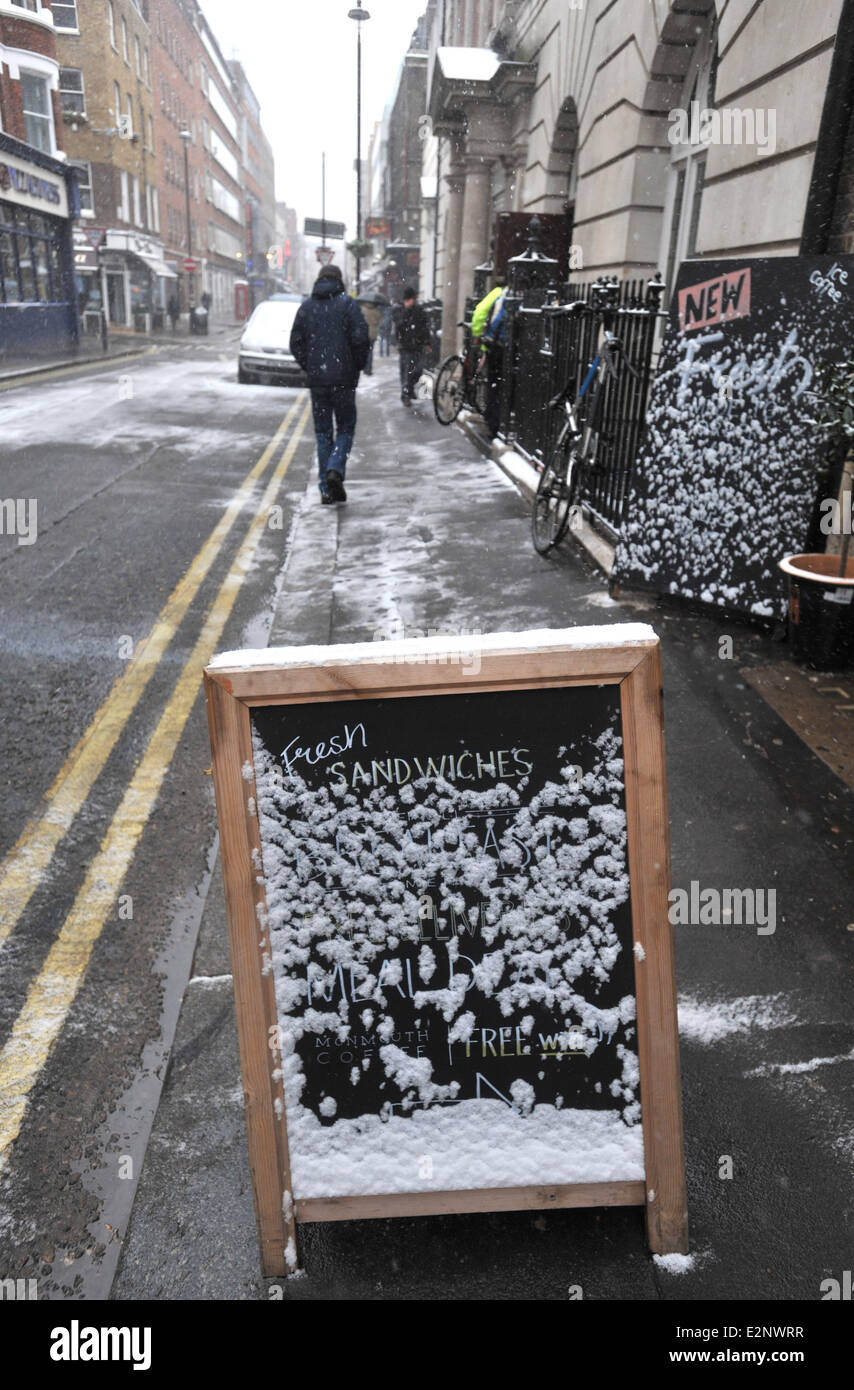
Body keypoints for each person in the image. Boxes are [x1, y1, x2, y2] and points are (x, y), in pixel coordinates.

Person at [289, 263, 370, 505]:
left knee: (323, 433)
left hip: (318, 382)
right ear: (339, 281)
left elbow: (296, 343)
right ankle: (335, 468)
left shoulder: (307, 307)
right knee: (345, 428)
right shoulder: (348, 305)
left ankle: (326, 488)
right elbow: (361, 338)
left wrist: (311, 366)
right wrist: (355, 366)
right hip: (344, 380)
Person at [472, 275, 508, 438]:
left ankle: (492, 420)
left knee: (494, 384)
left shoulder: (498, 294)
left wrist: (478, 335)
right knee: (500, 385)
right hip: (505, 348)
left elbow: (479, 313)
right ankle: (496, 422)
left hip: (494, 346)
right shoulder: (507, 295)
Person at [397, 287, 431, 406]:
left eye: (411, 299)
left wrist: (427, 343)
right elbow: (398, 329)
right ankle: (405, 395)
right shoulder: (401, 311)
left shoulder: (419, 311)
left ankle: (410, 389)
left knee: (418, 370)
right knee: (406, 372)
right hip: (406, 347)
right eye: (407, 299)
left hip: (417, 346)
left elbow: (425, 328)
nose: (409, 302)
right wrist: (400, 343)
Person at [359, 299, 383, 375]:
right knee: (370, 352)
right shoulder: (377, 311)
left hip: (364, 333)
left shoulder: (362, 309)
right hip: (373, 334)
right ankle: (369, 369)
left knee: (364, 351)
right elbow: (379, 321)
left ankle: (365, 368)